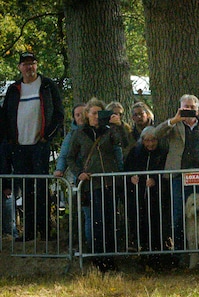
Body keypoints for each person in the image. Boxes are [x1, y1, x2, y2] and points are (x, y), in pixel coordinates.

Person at [3, 52, 64, 242]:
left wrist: (47, 136)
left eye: (32, 63)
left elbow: (59, 113)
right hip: (20, 147)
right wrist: (11, 140)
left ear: (37, 65)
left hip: (40, 145)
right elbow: (5, 117)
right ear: (19, 67)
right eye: (25, 64)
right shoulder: (14, 89)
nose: (29, 67)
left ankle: (45, 230)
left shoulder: (47, 86)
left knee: (42, 188)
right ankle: (28, 231)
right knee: (26, 188)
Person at [153, 93, 199, 256]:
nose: (189, 109)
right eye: (186, 107)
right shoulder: (174, 126)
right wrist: (174, 120)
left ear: (197, 110)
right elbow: (156, 134)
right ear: (180, 108)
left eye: (192, 107)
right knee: (178, 214)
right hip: (179, 176)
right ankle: (181, 255)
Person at [65, 101, 122, 262]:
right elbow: (70, 157)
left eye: (100, 113)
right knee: (97, 221)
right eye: (94, 113)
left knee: (111, 219)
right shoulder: (79, 133)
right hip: (92, 184)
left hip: (110, 182)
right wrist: (79, 173)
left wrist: (118, 125)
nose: (97, 116)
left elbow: (122, 143)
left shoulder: (108, 131)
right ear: (87, 114)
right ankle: (97, 257)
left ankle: (110, 257)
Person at [123, 128, 168, 252]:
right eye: (147, 140)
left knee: (155, 223)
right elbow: (126, 169)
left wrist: (155, 180)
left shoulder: (163, 153)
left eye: (153, 140)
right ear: (142, 140)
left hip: (156, 196)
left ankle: (157, 250)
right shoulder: (135, 152)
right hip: (138, 195)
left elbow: (166, 172)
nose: (150, 144)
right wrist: (131, 177)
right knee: (138, 221)